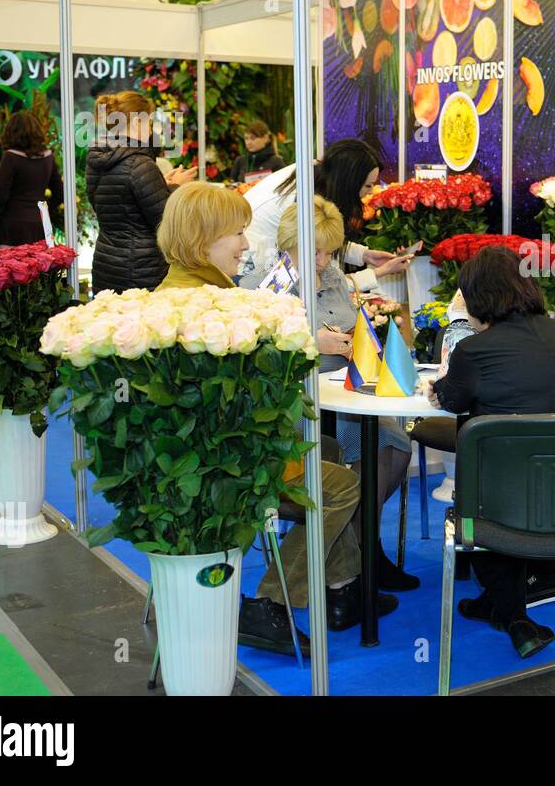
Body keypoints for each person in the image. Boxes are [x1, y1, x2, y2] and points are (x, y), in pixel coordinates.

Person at [155, 182, 395, 654]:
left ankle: (341, 584)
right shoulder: (211, 300)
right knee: (343, 484)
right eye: (238, 233)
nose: (246, 244)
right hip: (228, 458)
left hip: (224, 447)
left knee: (328, 453)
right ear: (204, 238)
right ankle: (271, 601)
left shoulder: (196, 288)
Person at [427, 247, 555, 659]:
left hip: (505, 503)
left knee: (482, 465)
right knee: (510, 465)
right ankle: (503, 608)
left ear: (477, 298)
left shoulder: (474, 351)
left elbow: (449, 398)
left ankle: (512, 613)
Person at [242, 198, 417, 592]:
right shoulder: (268, 283)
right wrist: (310, 340)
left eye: (329, 251)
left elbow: (356, 325)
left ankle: (359, 548)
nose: (322, 260)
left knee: (394, 449)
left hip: (347, 393)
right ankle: (353, 564)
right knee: (356, 460)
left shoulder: (336, 276)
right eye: (314, 250)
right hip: (297, 403)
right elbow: (252, 348)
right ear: (289, 242)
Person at [242, 138, 412, 286]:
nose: (370, 192)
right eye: (368, 185)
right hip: (255, 272)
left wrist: (364, 255)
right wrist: (378, 272)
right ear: (349, 182)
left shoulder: (315, 175)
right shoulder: (304, 202)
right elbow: (324, 284)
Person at [86, 92, 196, 293]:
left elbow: (116, 202)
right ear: (137, 122)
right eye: (150, 123)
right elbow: (165, 220)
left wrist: (160, 184)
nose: (152, 129)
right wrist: (175, 187)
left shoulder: (99, 159)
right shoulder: (141, 163)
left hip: (107, 263)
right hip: (142, 270)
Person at [0, 112, 63, 247]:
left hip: (12, 225)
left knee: (13, 266)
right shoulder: (48, 157)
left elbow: (0, 196)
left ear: (10, 132)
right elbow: (60, 194)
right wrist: (43, 210)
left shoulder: (10, 157)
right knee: (38, 264)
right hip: (40, 224)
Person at [229, 120, 286, 184]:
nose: (248, 142)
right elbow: (232, 185)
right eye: (246, 138)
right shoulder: (240, 160)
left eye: (253, 138)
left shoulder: (276, 161)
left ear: (265, 138)